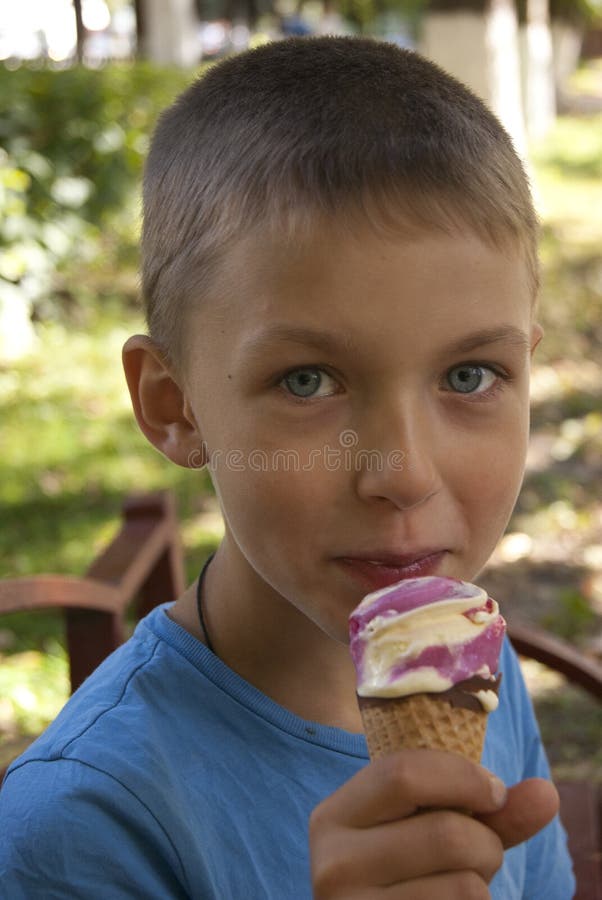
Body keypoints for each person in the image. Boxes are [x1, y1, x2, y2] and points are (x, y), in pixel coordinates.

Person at [0, 36, 575, 898]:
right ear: (174, 405)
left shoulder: (467, 668)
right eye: (308, 381)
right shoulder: (83, 831)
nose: (403, 473)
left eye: (470, 376)